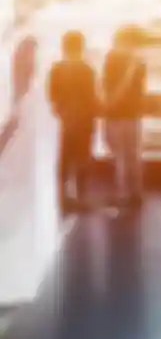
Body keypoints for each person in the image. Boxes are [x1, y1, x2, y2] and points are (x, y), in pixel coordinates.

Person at [48, 31, 98, 211]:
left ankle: (63, 196)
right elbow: (93, 98)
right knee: (82, 158)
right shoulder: (87, 69)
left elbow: (52, 96)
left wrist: (62, 113)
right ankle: (81, 197)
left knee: (65, 158)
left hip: (67, 119)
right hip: (84, 120)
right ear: (82, 47)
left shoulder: (57, 69)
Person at [102, 25, 147, 207]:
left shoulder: (112, 59)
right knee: (133, 155)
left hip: (115, 113)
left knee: (120, 155)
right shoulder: (139, 63)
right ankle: (136, 193)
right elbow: (141, 91)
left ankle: (122, 194)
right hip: (133, 114)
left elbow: (106, 86)